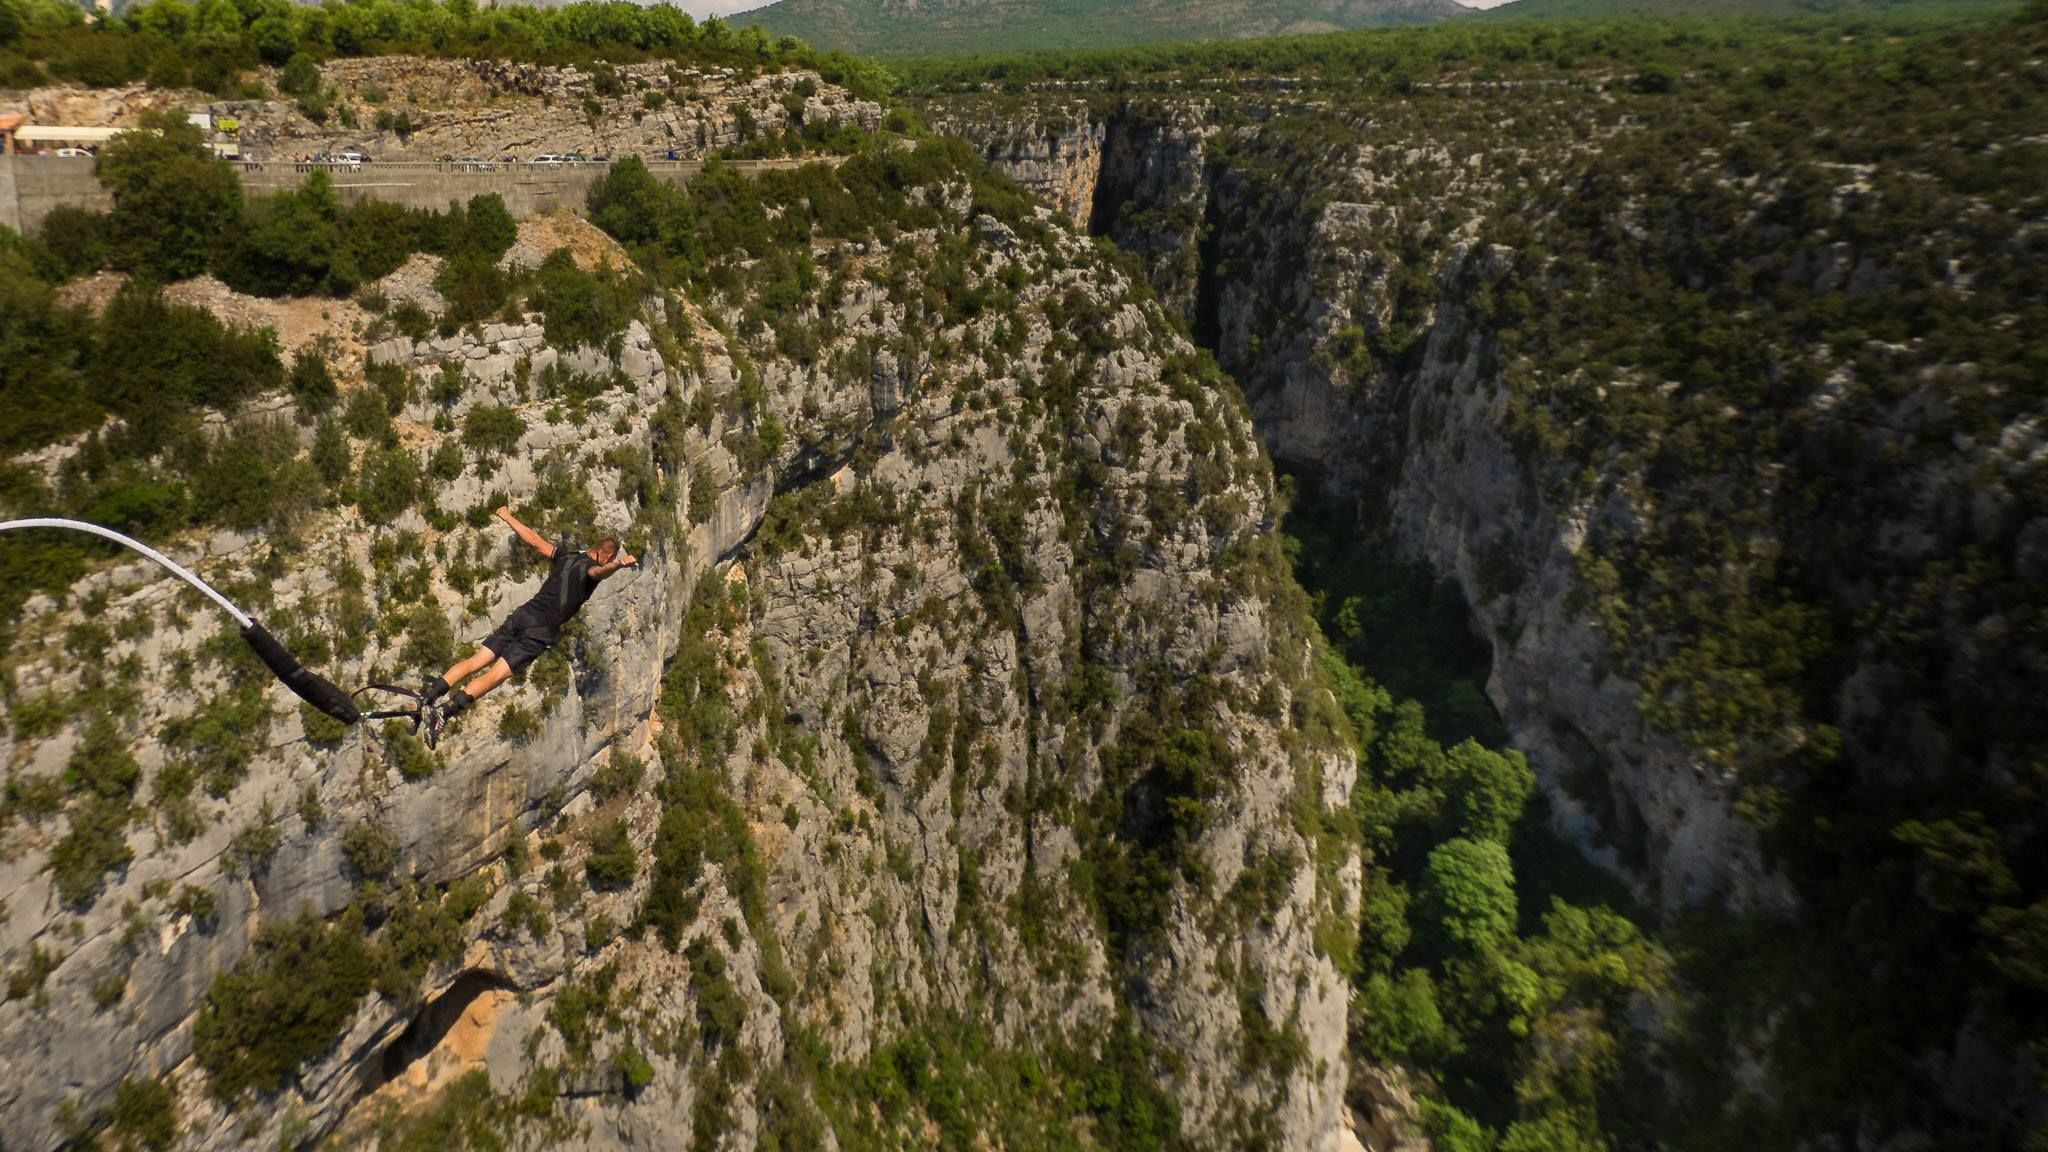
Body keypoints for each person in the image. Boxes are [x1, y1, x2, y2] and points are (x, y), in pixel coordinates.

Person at [419, 505, 636, 743]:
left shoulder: (567, 556)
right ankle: (444, 713)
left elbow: (535, 541)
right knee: (496, 675)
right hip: (538, 632)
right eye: (610, 559)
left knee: (475, 661)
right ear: (606, 556)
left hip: (522, 614)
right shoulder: (593, 570)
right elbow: (599, 573)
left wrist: (508, 516)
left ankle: (428, 696)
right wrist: (618, 566)